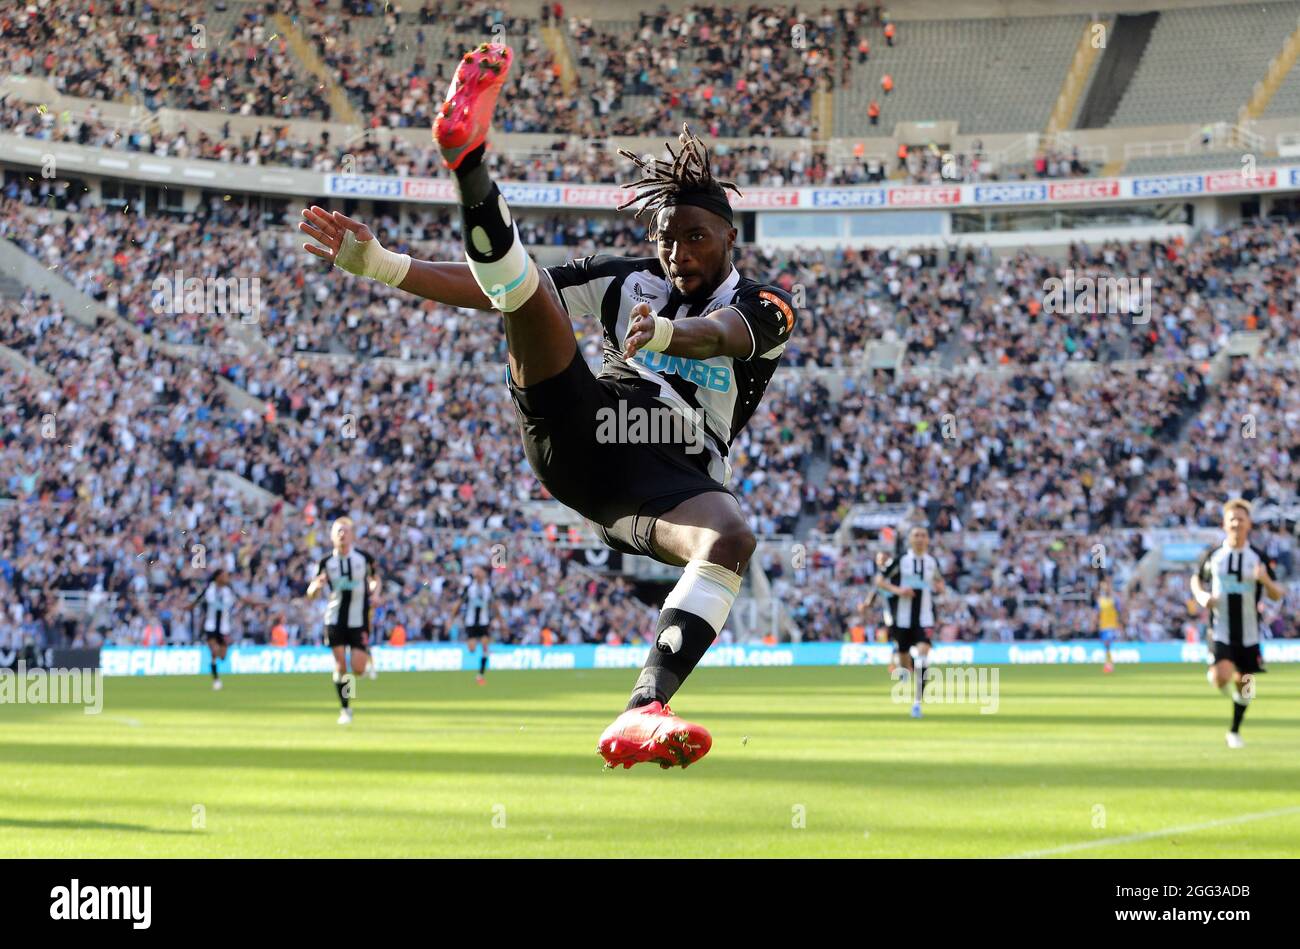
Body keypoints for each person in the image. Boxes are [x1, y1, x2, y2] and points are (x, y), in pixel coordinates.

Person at [298, 43, 797, 768]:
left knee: (730, 536)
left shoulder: (768, 304)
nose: (679, 252)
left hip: (673, 476)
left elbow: (722, 334)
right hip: (584, 428)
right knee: (524, 291)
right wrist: (381, 264)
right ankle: (469, 161)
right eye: (667, 239)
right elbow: (497, 289)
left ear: (729, 236)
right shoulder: (626, 278)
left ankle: (642, 709)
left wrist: (665, 331)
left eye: (695, 236)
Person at [1191, 500, 1283, 748]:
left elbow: (1277, 594)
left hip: (1250, 632)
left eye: (1241, 519)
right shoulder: (1213, 555)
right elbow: (1196, 579)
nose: (1236, 523)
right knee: (1221, 676)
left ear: (1248, 524)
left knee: (1247, 686)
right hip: (1220, 628)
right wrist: (1201, 596)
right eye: (1231, 518)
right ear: (1224, 523)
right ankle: (1220, 672)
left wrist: (1264, 579)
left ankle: (1234, 731)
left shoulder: (1259, 558)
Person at [307, 517, 382, 725]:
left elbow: (376, 578)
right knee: (341, 666)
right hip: (334, 618)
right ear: (332, 536)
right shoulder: (325, 562)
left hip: (359, 619)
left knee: (357, 668)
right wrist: (317, 587)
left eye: (346, 531)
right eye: (338, 531)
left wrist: (375, 592)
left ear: (352, 535)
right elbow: (311, 592)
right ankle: (346, 708)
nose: (342, 534)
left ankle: (361, 670)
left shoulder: (363, 558)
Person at [874, 526, 944, 718]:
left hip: (925, 618)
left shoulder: (932, 562)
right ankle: (908, 674)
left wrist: (940, 587)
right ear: (910, 540)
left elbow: (940, 582)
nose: (920, 539)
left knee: (923, 654)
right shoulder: (901, 560)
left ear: (928, 539)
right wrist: (900, 591)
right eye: (916, 535)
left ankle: (917, 703)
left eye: (923, 535)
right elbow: (879, 580)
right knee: (905, 665)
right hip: (901, 619)